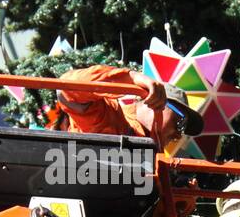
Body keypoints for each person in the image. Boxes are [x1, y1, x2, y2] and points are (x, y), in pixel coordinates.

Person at [54, 64, 204, 154]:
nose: (178, 136)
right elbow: (66, 89)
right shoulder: (109, 117)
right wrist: (131, 78)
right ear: (153, 100)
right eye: (180, 122)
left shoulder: (154, 154)